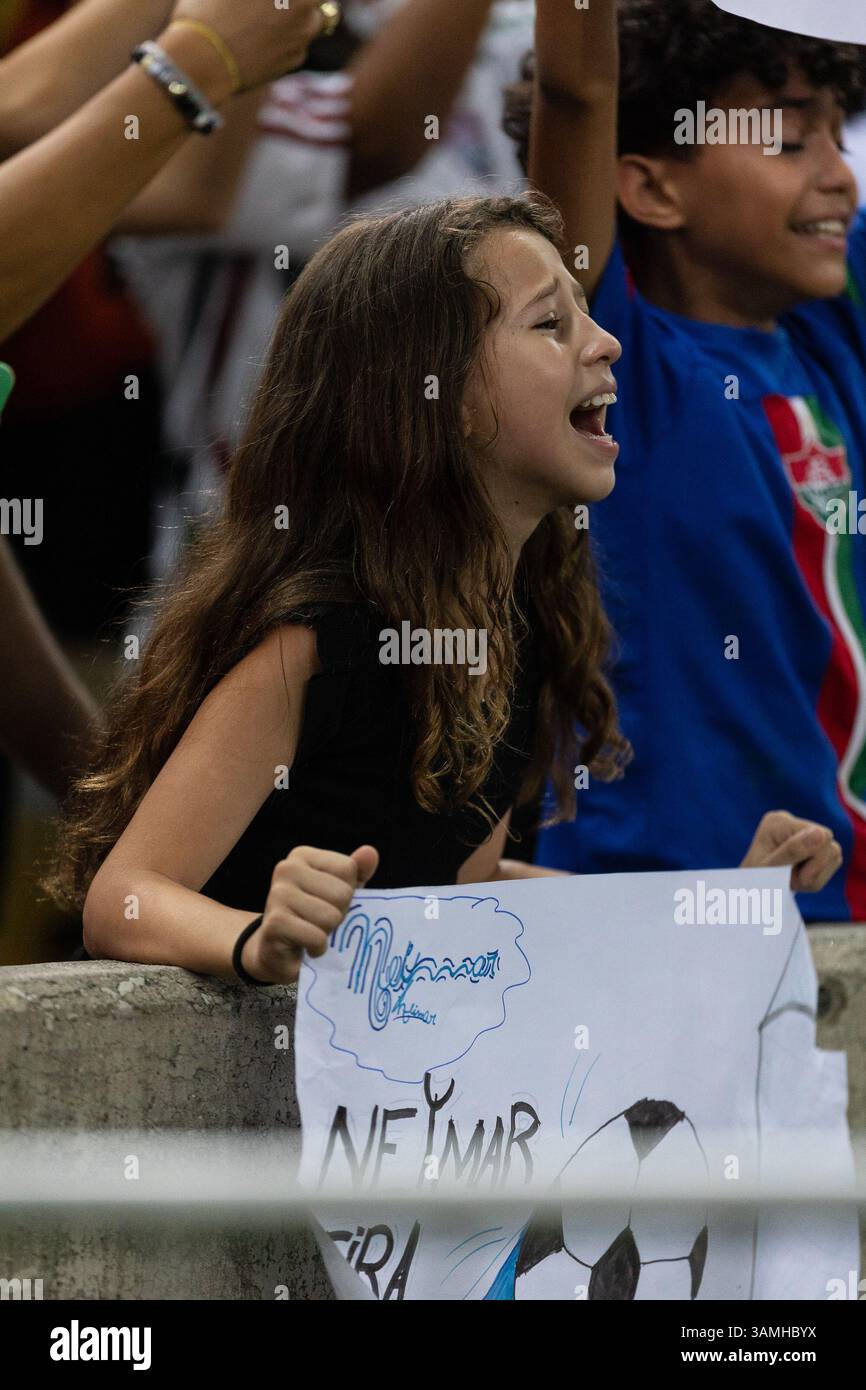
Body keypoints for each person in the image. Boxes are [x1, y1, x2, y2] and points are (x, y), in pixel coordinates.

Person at [46, 193, 842, 985]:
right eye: (549, 324)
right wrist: (260, 938)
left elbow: (466, 887)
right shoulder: (318, 640)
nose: (605, 344)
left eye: (584, 317)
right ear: (437, 395)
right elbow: (124, 898)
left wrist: (707, 906)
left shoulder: (522, 623)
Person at [504, 0, 866, 921]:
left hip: (840, 909)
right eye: (790, 143)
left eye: (840, 135)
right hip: (664, 920)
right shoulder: (617, 367)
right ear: (650, 188)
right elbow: (583, 95)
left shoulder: (829, 331)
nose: (841, 179)